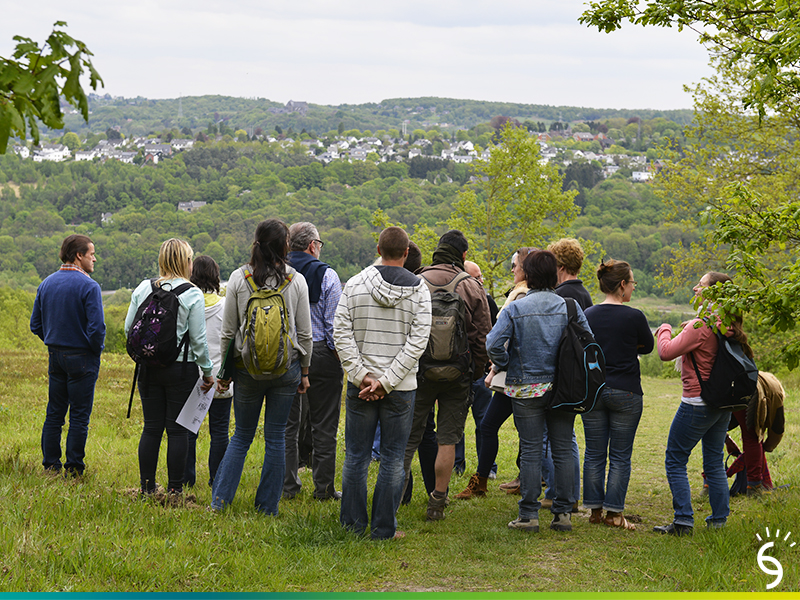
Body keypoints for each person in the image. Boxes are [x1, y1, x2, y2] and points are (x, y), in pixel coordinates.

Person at [335, 227, 431, 540]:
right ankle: (383, 529)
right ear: (406, 253)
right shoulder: (419, 290)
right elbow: (418, 343)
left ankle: (352, 525)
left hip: (360, 385)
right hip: (401, 388)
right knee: (392, 458)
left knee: (356, 456)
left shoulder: (354, 284)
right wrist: (388, 381)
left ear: (378, 248)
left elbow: (341, 333)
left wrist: (363, 375)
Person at [210, 219, 312, 515]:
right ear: (285, 247)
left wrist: (224, 374)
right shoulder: (296, 280)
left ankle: (219, 503)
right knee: (276, 436)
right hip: (286, 371)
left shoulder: (239, 279)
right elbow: (305, 334)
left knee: (241, 436)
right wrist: (304, 372)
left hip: (247, 371)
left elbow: (228, 332)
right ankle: (268, 507)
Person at [486, 249, 591, 532]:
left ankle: (529, 515)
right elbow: (588, 342)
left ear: (529, 275)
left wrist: (505, 364)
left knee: (531, 450)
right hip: (563, 389)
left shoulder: (516, 307)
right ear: (554, 274)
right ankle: (563, 514)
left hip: (525, 388)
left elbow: (493, 343)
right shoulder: (569, 306)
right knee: (563, 449)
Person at [402, 230, 491, 520]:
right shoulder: (470, 285)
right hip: (458, 375)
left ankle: (392, 499)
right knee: (447, 439)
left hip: (419, 373)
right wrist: (473, 372)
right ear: (463, 255)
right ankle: (437, 503)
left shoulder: (416, 281)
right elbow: (483, 337)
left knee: (409, 438)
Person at [653, 271, 751, 534]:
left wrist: (664, 329)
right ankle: (718, 521)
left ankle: (683, 521)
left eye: (701, 285)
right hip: (721, 403)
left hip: (696, 403)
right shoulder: (726, 323)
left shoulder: (701, 326)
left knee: (675, 459)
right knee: (713, 462)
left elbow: (665, 352)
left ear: (713, 293)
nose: (696, 288)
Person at [125, 238, 214, 496]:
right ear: (187, 262)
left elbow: (128, 328)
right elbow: (198, 341)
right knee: (177, 431)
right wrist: (207, 373)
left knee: (151, 427)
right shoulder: (192, 292)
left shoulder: (144, 287)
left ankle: (147, 488)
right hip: (181, 370)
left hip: (148, 368)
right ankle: (175, 490)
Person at [456, 247, 533, 500]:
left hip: (515, 375)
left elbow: (506, 340)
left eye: (516, 265)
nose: (512, 270)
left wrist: (496, 366)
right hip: (513, 375)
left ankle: (520, 481)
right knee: (494, 426)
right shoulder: (524, 294)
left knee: (517, 430)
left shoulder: (521, 296)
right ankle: (483, 481)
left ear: (526, 269)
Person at [582, 259, 654, 530]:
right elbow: (647, 346)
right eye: (632, 283)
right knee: (621, 456)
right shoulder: (634, 316)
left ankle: (594, 510)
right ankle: (614, 514)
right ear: (622, 285)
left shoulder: (588, 314)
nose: (633, 288)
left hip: (594, 391)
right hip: (626, 391)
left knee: (594, 453)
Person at [30, 234, 106, 476]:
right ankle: (74, 469)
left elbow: (35, 324)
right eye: (91, 254)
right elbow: (97, 329)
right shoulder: (89, 286)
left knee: (54, 412)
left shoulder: (46, 284)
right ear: (79, 256)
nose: (95, 258)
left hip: (56, 355)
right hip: (83, 357)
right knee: (79, 417)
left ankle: (50, 465)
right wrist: (94, 350)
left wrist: (54, 340)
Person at [283, 222, 344, 501]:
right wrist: (335, 355)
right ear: (312, 245)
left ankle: (288, 485)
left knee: (287, 425)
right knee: (324, 424)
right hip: (321, 352)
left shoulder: (277, 272)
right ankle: (324, 488)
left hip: (285, 354)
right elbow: (333, 325)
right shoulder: (328, 275)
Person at [543, 237, 591, 510]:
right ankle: (568, 494)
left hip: (560, 374)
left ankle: (559, 494)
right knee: (567, 437)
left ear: (559, 265)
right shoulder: (584, 294)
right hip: (577, 373)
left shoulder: (561, 296)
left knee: (556, 439)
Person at [184, 255, 233, 488]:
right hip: (221, 379)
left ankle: (186, 479)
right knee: (220, 432)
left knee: (188, 430)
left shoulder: (186, 304)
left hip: (190, 377)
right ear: (215, 277)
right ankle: (218, 479)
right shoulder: (225, 306)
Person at [454, 260, 499, 478]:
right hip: (461, 370)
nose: (481, 280)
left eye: (481, 276)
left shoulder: (487, 300)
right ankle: (456, 464)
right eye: (476, 277)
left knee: (484, 420)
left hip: (481, 370)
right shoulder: (454, 299)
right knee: (455, 421)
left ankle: (488, 467)